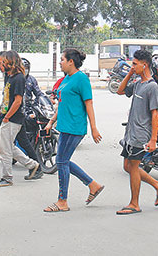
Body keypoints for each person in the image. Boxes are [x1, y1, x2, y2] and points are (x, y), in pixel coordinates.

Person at [42, 49, 104, 213]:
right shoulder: (66, 79)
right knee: (62, 161)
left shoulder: (81, 79)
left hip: (75, 127)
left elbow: (89, 104)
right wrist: (51, 122)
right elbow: (62, 104)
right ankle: (93, 185)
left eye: (62, 59)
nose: (60, 62)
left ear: (71, 62)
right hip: (64, 126)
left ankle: (62, 201)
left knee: (61, 161)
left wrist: (94, 128)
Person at [115, 49, 158, 215]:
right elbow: (120, 91)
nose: (132, 66)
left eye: (135, 64)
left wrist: (153, 139)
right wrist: (130, 73)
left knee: (133, 166)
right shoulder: (138, 83)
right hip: (130, 133)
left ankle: (134, 204)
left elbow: (155, 114)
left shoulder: (152, 87)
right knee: (127, 166)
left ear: (144, 65)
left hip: (140, 134)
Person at [0, 57, 42, 180]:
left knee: (6, 147)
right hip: (8, 115)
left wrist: (6, 117)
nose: (0, 65)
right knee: (4, 143)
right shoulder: (8, 76)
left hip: (14, 116)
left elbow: (18, 100)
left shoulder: (21, 78)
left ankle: (7, 175)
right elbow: (6, 98)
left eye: (2, 63)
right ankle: (33, 166)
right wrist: (0, 113)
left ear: (11, 62)